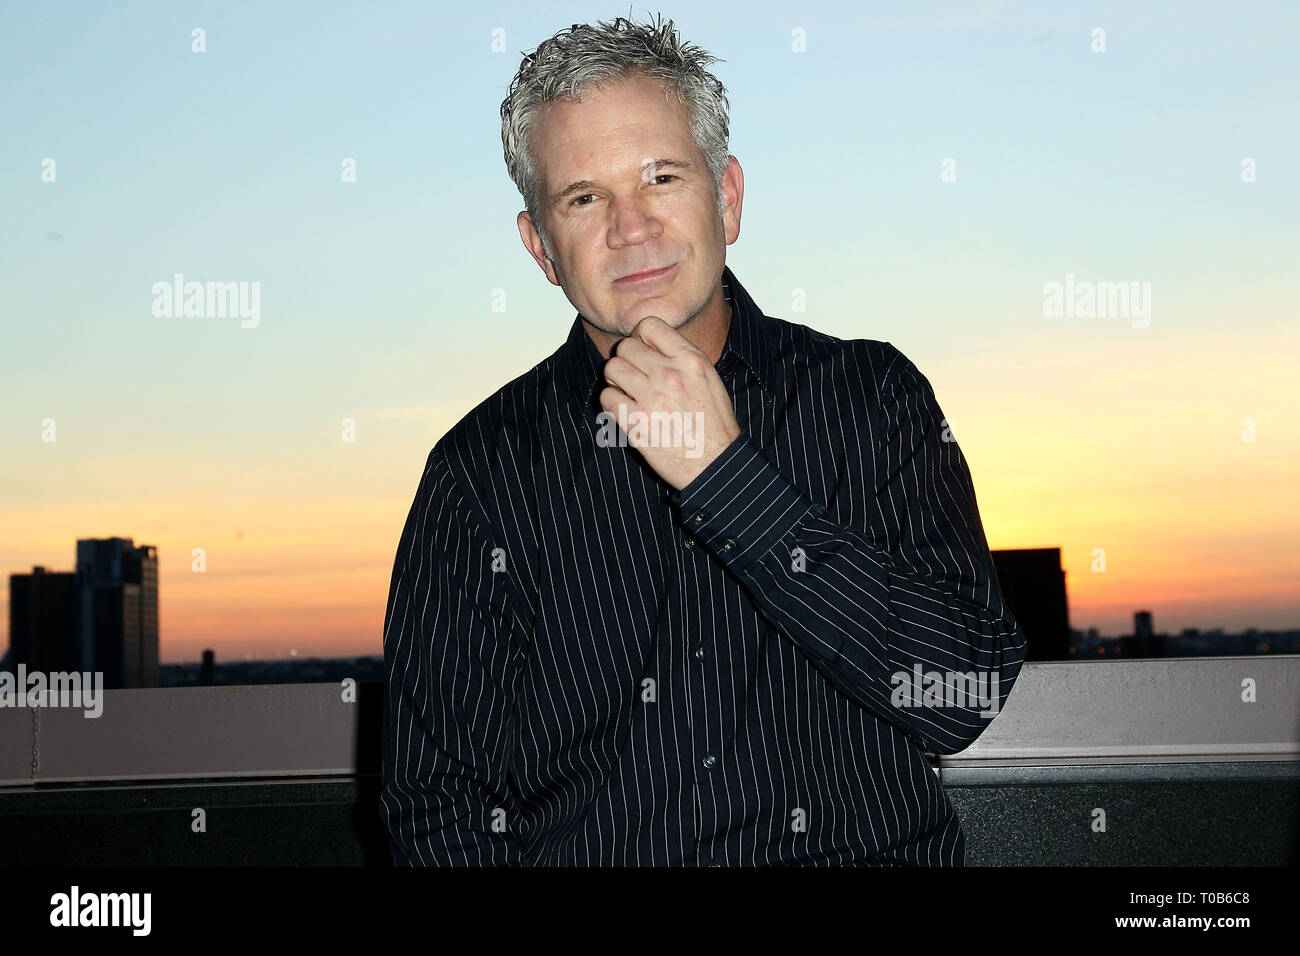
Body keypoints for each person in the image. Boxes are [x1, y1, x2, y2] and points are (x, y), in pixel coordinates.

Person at [379, 13, 1027, 866]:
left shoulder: (874, 397)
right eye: (584, 197)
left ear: (727, 197)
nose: (631, 226)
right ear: (541, 247)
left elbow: (964, 692)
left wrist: (730, 481)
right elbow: (437, 804)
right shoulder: (479, 471)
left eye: (661, 177)